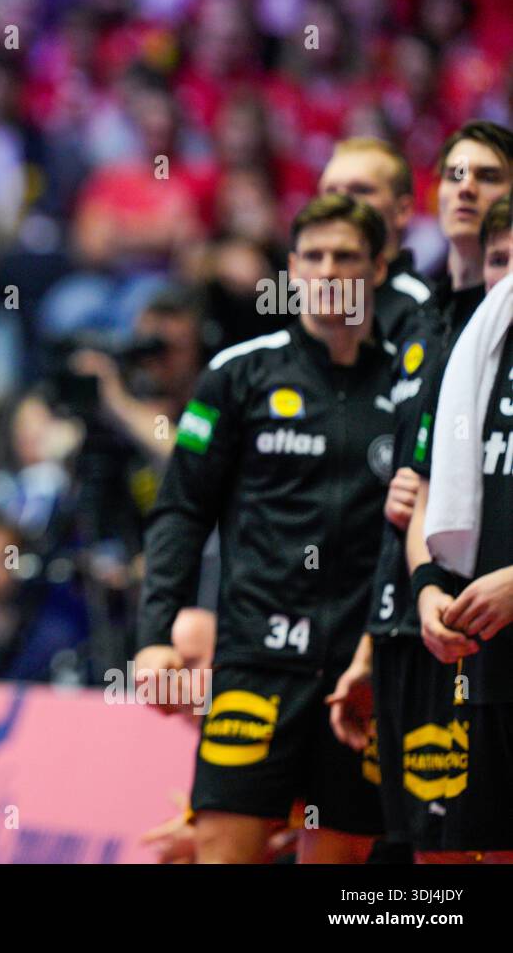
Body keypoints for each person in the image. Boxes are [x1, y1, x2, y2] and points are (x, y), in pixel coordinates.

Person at [134, 194, 397, 863]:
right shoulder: (238, 375)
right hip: (254, 664)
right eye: (313, 255)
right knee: (221, 850)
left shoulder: (411, 380)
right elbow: (180, 513)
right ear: (292, 268)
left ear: (379, 267)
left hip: (361, 671)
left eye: (347, 256)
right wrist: (156, 636)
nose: (329, 269)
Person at [328, 122, 513, 862]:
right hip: (418, 615)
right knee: (421, 853)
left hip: (481, 624)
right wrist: (372, 649)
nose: (465, 188)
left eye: (488, 175)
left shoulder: (480, 320)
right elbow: (418, 489)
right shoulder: (425, 322)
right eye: (455, 173)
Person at [394, 194, 513, 864]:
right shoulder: (474, 361)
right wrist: (432, 586)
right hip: (490, 657)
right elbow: (445, 497)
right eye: (499, 260)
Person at [318, 136, 431, 345]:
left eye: (361, 190)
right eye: (330, 192)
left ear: (402, 210)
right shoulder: (303, 300)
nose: (340, 203)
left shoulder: (424, 309)